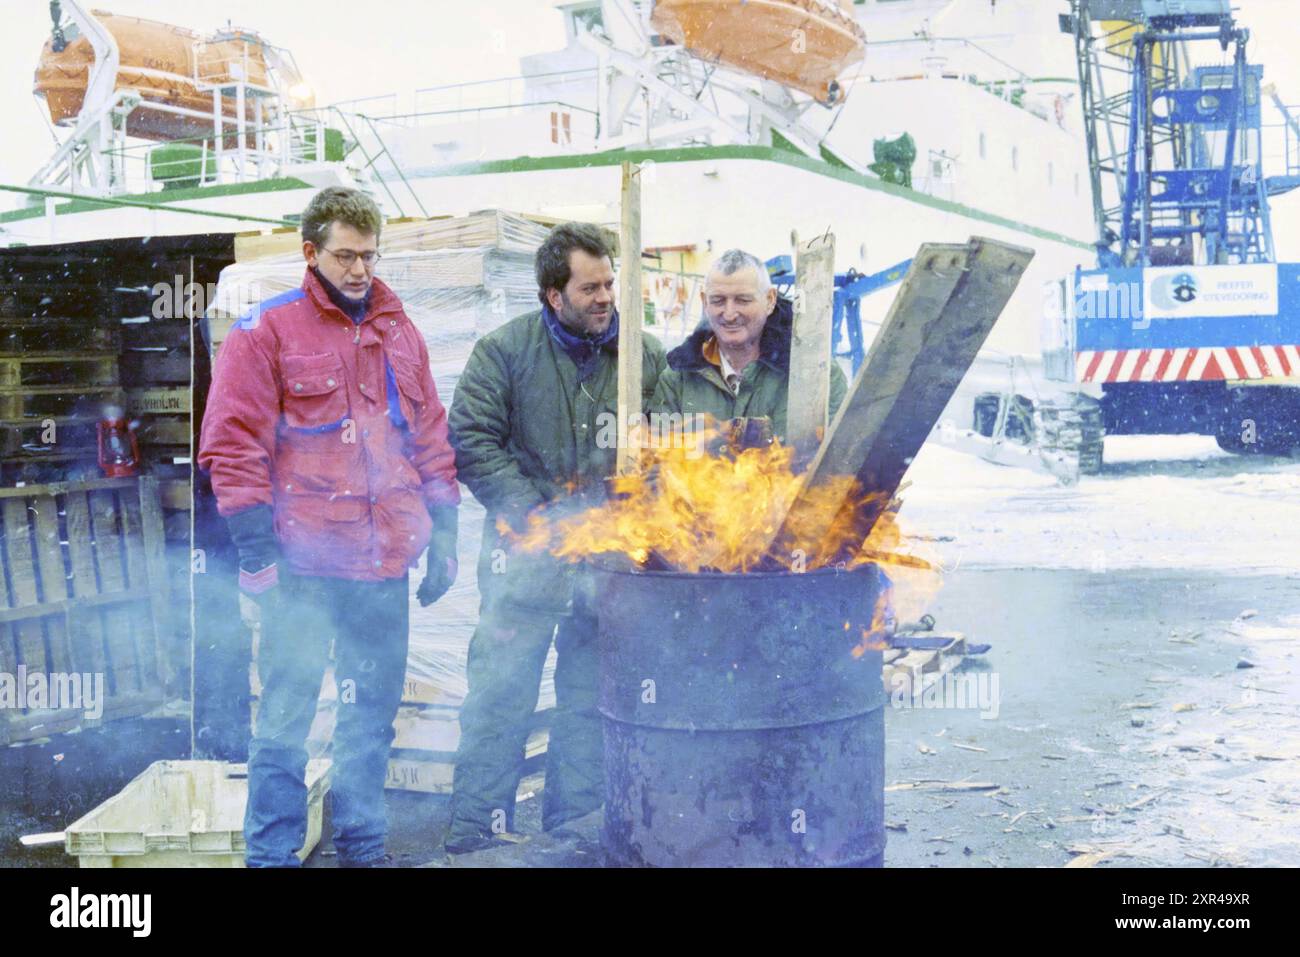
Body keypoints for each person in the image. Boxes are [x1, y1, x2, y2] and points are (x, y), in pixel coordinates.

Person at [198, 186, 460, 867]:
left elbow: (430, 435)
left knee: (371, 718)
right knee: (284, 722)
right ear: (309, 253)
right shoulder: (265, 332)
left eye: (369, 256)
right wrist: (257, 554)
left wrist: (447, 534)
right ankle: (271, 858)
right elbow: (232, 447)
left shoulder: (400, 331)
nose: (359, 270)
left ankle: (365, 851)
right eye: (344, 255)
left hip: (381, 567)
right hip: (301, 571)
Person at [444, 222, 666, 853]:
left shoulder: (643, 358)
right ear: (552, 294)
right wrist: (539, 518)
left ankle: (573, 837)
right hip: (524, 566)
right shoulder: (504, 352)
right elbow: (472, 440)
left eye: (610, 284)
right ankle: (474, 840)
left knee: (588, 708)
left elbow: (668, 451)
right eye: (589, 287)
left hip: (610, 570)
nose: (605, 298)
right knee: (498, 702)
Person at [650, 247, 848, 445]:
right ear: (704, 302)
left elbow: (838, 460)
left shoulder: (817, 375)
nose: (729, 314)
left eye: (743, 300)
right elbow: (658, 461)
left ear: (770, 300)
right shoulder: (677, 380)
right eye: (718, 301)